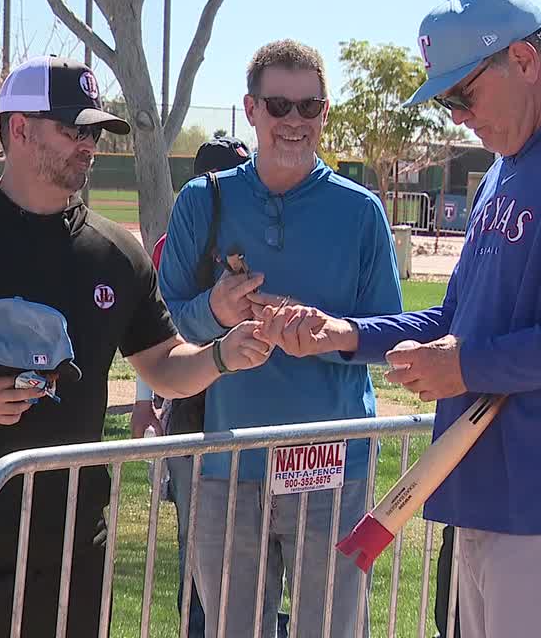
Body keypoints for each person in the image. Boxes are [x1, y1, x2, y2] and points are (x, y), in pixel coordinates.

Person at [255, 0, 541, 637]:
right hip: (491, 496)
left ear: (524, 62)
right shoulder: (507, 167)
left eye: (462, 94)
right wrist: (345, 336)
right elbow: (458, 318)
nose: (456, 116)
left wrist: (471, 365)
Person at [0, 55, 274, 638]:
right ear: (20, 129)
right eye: (73, 129)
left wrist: (223, 354)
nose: (88, 145)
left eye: (94, 132)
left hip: (74, 550)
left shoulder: (116, 254)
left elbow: (164, 365)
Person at [158, 39, 403, 638]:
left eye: (309, 107)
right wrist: (216, 310)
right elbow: (160, 328)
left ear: (324, 111)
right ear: (250, 109)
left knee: (332, 629)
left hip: (333, 465)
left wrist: (332, 334)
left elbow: (393, 334)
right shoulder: (203, 201)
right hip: (226, 461)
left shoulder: (362, 211)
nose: (294, 122)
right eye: (278, 106)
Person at [132, 134, 253, 638]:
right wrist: (146, 401)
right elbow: (154, 334)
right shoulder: (174, 243)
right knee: (197, 545)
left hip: (251, 410)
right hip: (194, 407)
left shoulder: (261, 232)